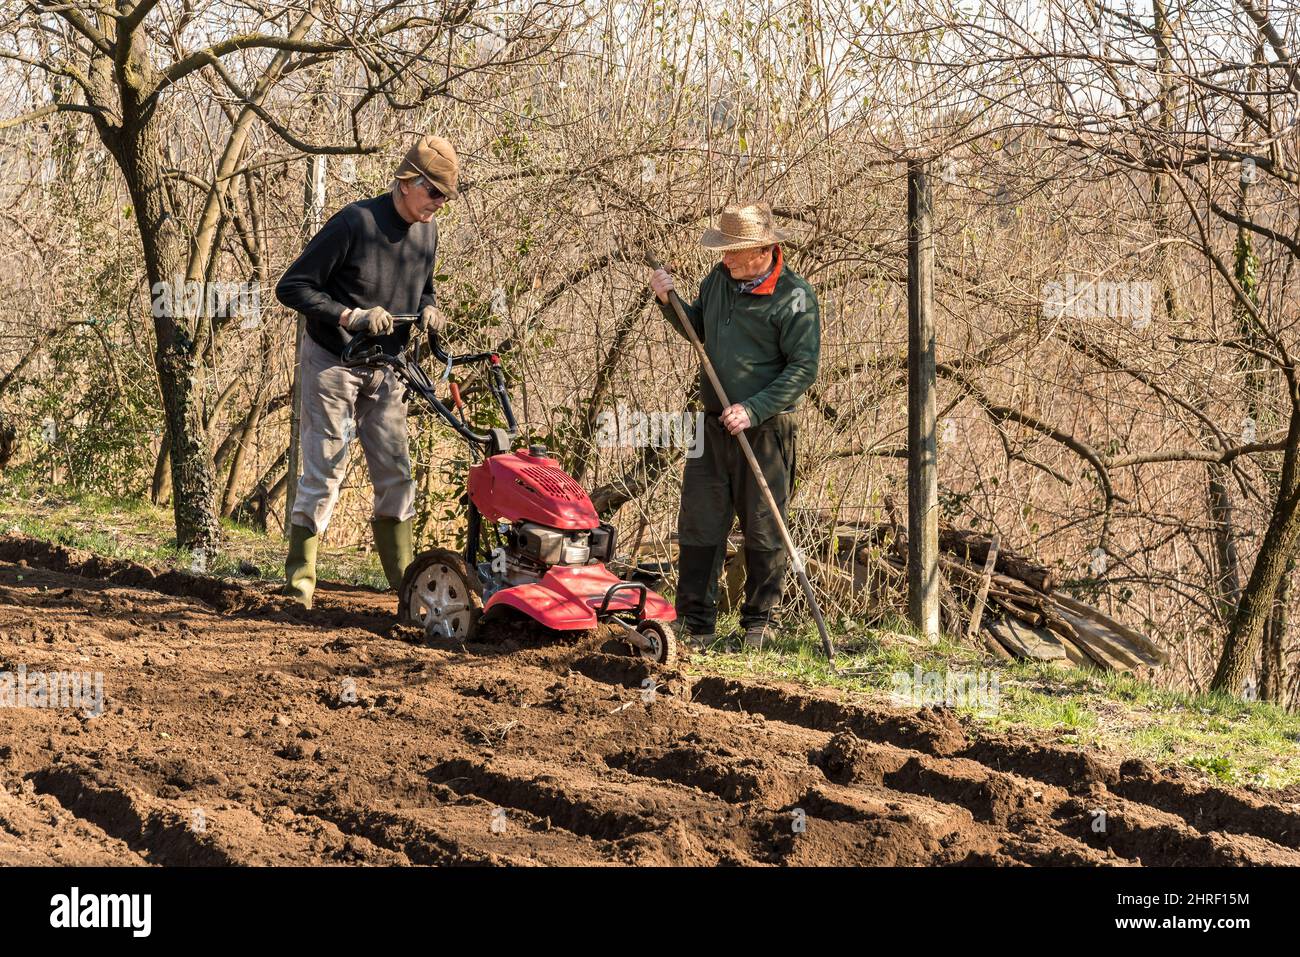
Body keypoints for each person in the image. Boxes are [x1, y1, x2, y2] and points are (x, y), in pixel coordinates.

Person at [273, 134, 459, 608]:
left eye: (445, 197)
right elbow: (291, 286)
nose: (438, 204)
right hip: (334, 364)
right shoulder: (355, 223)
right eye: (434, 192)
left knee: (397, 476)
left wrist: (430, 309)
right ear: (407, 182)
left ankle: (406, 589)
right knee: (324, 474)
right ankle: (299, 587)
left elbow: (424, 288)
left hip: (388, 368)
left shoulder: (427, 231)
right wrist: (348, 315)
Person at [649, 202, 820, 651]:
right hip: (711, 425)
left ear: (763, 249)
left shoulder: (795, 296)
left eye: (733, 251)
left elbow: (803, 369)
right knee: (699, 524)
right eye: (723, 249)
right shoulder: (719, 281)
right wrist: (670, 303)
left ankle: (760, 624)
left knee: (764, 527)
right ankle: (695, 624)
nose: (724, 258)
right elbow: (698, 329)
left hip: (765, 428)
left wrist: (754, 408)